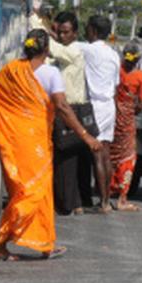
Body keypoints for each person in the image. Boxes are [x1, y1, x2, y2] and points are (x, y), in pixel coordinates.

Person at [0, 29, 100, 261]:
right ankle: (1, 243)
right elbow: (63, 107)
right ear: (47, 49)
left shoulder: (12, 70)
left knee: (34, 189)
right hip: (33, 141)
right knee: (32, 192)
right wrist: (85, 135)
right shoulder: (51, 73)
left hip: (14, 137)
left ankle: (46, 244)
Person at [77, 15, 120, 213]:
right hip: (109, 105)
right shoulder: (114, 54)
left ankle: (102, 203)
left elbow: (64, 46)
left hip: (94, 106)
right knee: (105, 153)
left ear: (93, 31)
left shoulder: (88, 49)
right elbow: (116, 84)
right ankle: (105, 199)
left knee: (96, 154)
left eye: (87, 28)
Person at [49, 11, 90, 215]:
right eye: (60, 32)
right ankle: (73, 202)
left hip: (68, 110)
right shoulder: (66, 51)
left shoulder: (72, 51)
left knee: (65, 159)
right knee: (68, 159)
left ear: (75, 33)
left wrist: (46, 33)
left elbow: (51, 49)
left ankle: (66, 203)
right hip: (65, 108)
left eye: (65, 32)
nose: (62, 36)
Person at [109, 43, 142, 211]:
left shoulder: (116, 72)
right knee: (128, 158)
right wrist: (132, 112)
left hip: (113, 118)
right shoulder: (140, 76)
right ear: (138, 59)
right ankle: (122, 198)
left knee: (110, 156)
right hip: (127, 121)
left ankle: (105, 193)